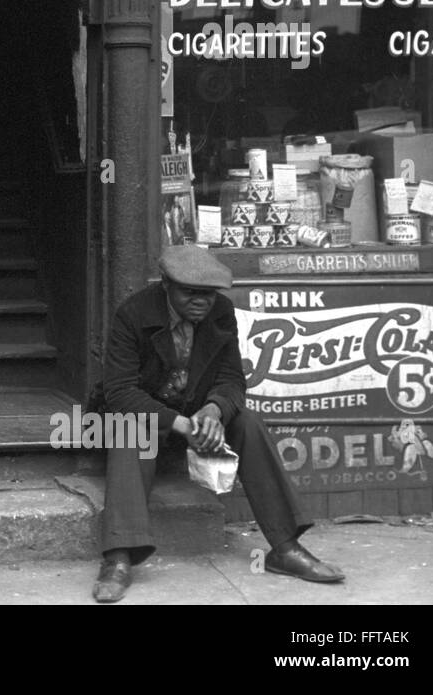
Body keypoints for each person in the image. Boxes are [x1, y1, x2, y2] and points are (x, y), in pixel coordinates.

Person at [90, 245, 344, 603]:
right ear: (165, 284)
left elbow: (231, 379)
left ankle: (284, 548)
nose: (201, 302)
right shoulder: (132, 314)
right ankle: (118, 558)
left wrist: (214, 410)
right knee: (129, 427)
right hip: (146, 419)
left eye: (208, 294)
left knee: (248, 422)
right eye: (190, 292)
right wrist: (182, 425)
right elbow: (119, 393)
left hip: (194, 415)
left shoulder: (221, 312)